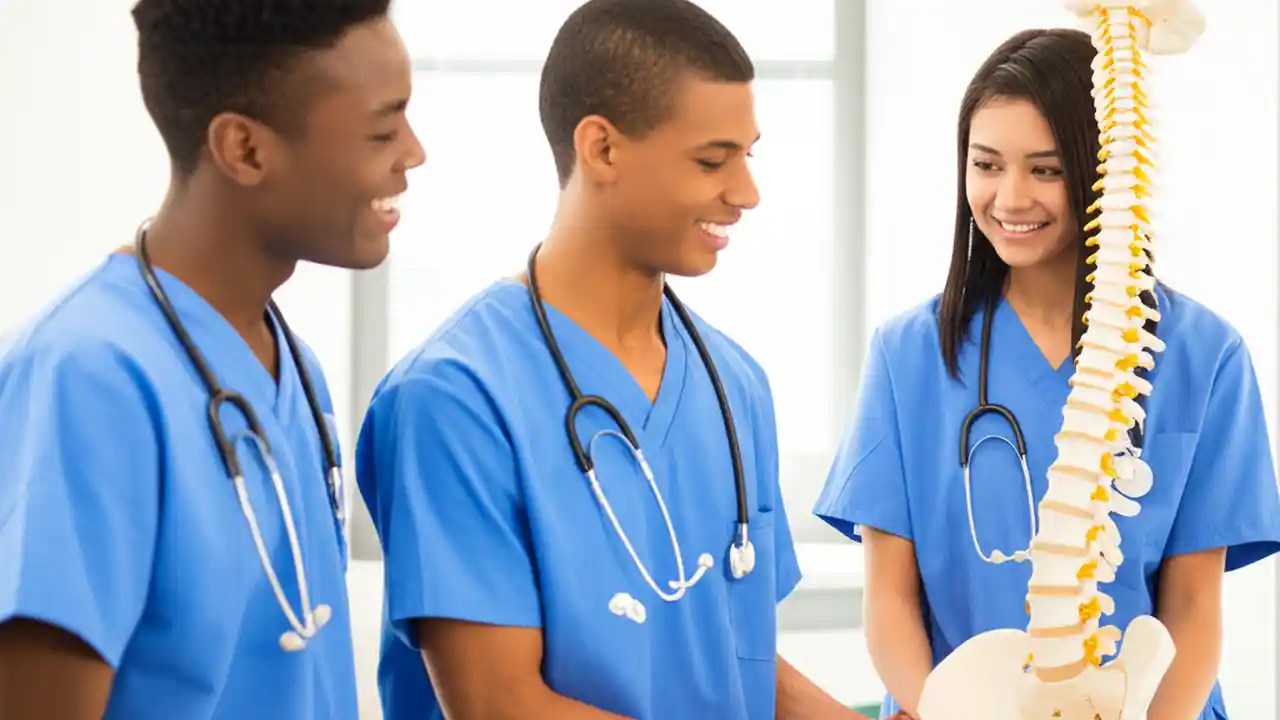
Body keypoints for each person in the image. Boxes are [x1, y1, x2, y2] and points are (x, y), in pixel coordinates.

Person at [354, 1, 865, 718]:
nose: (746, 193)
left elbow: (733, 654)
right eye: (713, 159)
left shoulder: (733, 386)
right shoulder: (454, 396)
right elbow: (499, 704)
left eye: (749, 155)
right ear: (601, 148)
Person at [813, 27, 1280, 720]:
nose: (1009, 198)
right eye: (986, 164)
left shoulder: (1202, 356)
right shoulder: (907, 355)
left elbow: (1193, 607)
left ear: (1101, 172)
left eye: (1047, 169)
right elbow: (888, 602)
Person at [0, 1, 424, 718]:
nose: (413, 152)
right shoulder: (90, 376)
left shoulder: (293, 368)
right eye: (383, 129)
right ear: (245, 149)